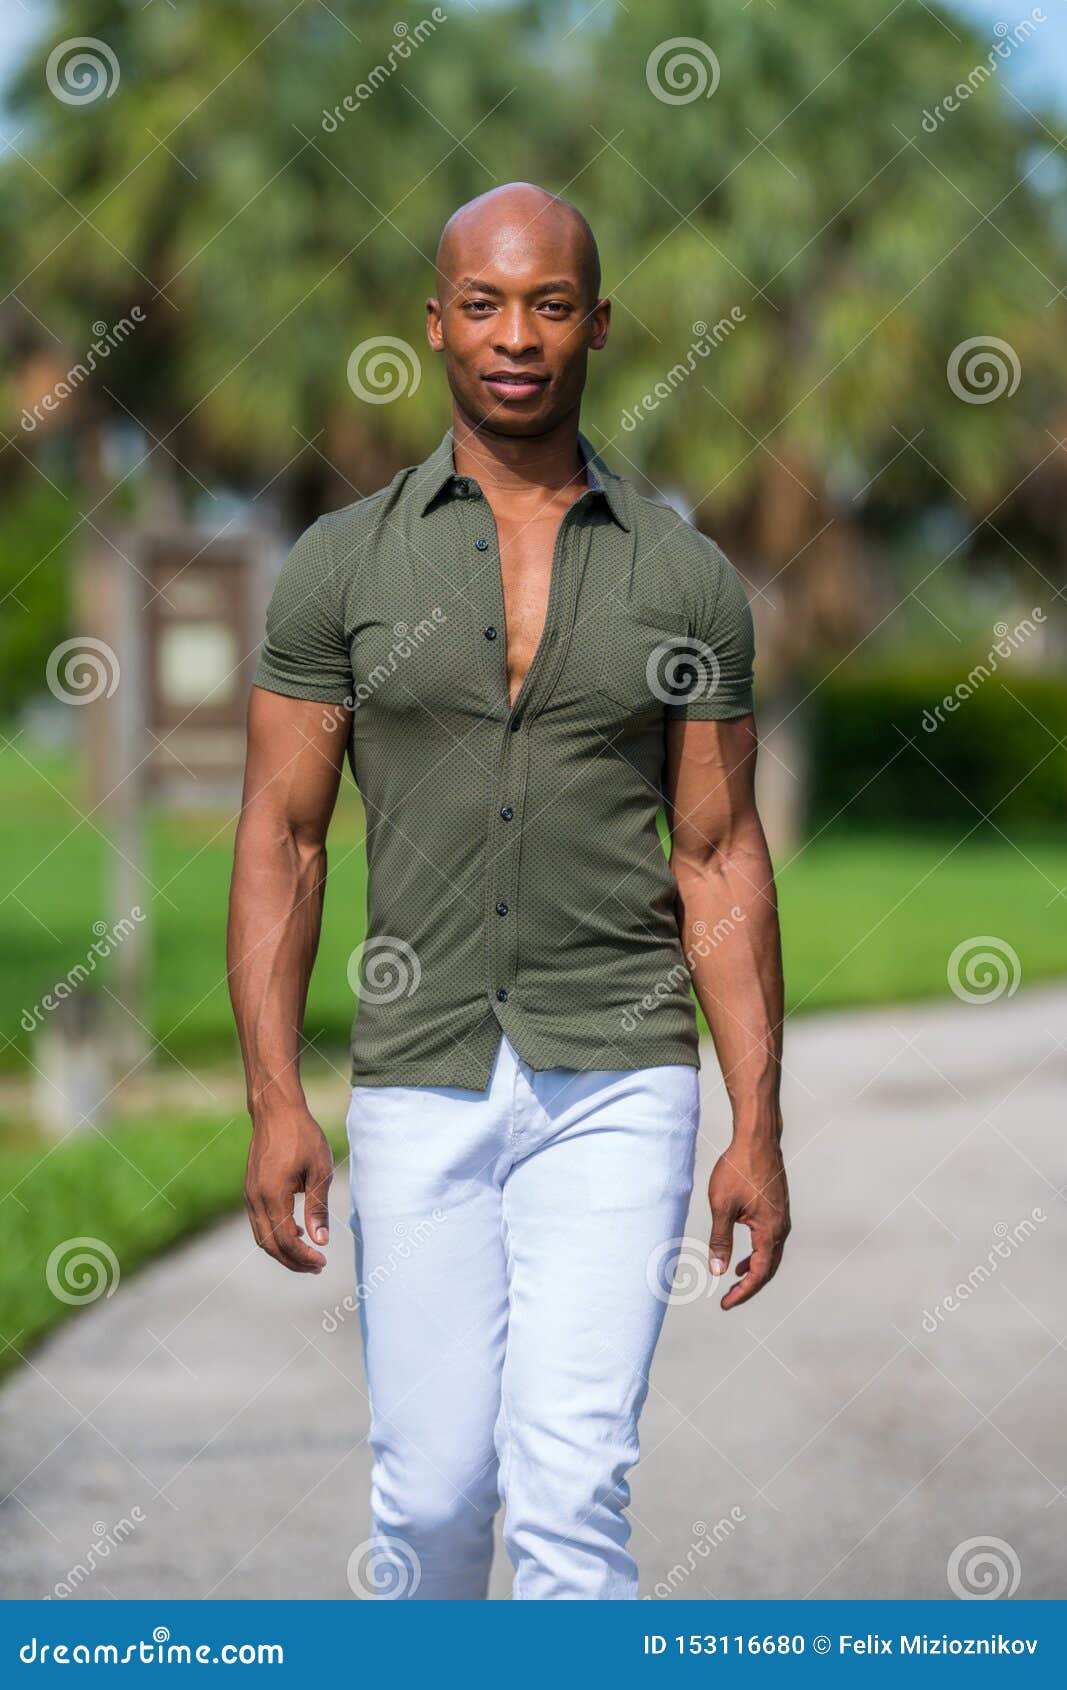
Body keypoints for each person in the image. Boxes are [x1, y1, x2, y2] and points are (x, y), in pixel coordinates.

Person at [227, 182, 790, 1601]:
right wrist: (276, 1097)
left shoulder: (683, 574)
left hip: (619, 1079)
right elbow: (283, 838)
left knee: (569, 1494)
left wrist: (758, 1123)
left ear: (597, 322)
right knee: (428, 1498)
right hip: (418, 1075)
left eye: (549, 303)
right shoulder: (340, 566)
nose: (516, 335)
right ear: (436, 326)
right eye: (484, 302)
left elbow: (719, 852)